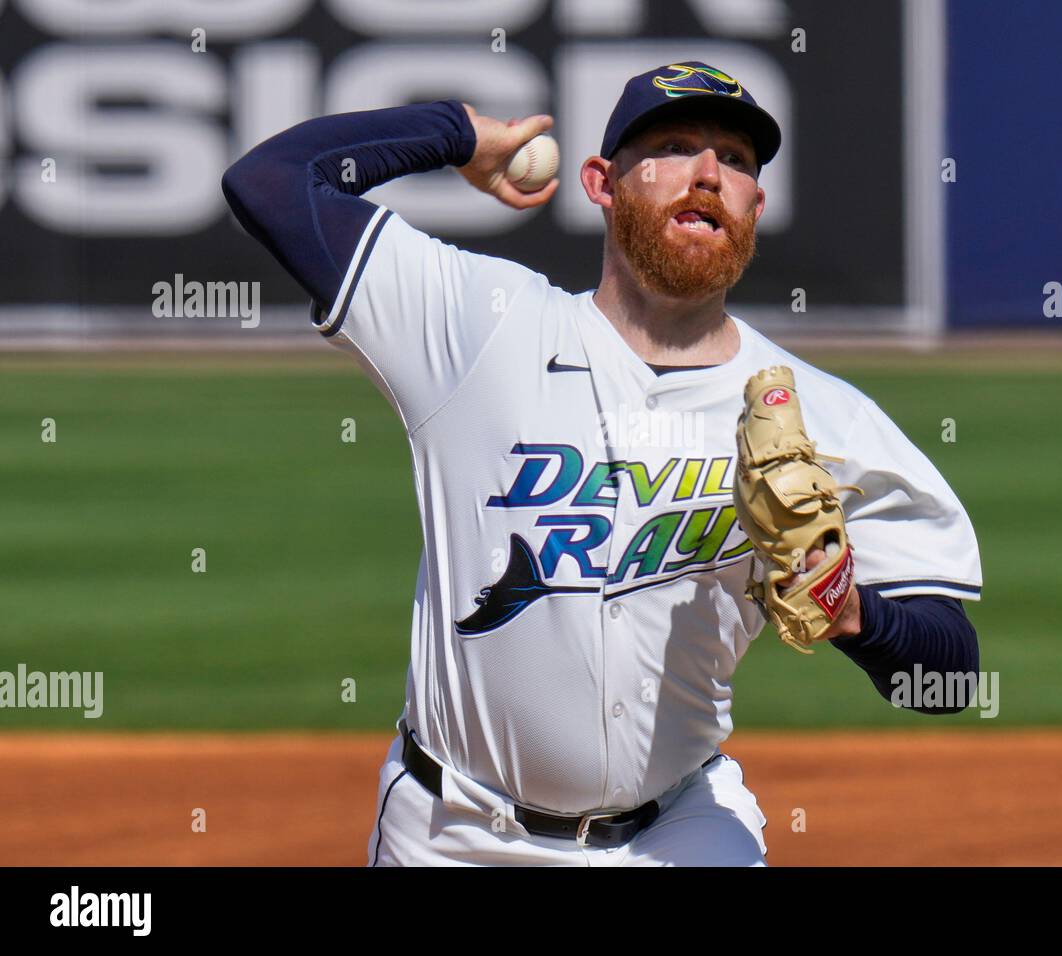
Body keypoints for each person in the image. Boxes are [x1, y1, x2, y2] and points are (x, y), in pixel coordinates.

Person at [222, 60, 983, 867]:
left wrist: (854, 613)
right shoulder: (480, 325)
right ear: (602, 182)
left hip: (681, 830)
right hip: (454, 834)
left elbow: (949, 677)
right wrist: (456, 135)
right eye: (674, 146)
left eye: (734, 161)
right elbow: (269, 180)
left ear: (755, 208)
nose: (706, 175)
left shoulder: (817, 415)